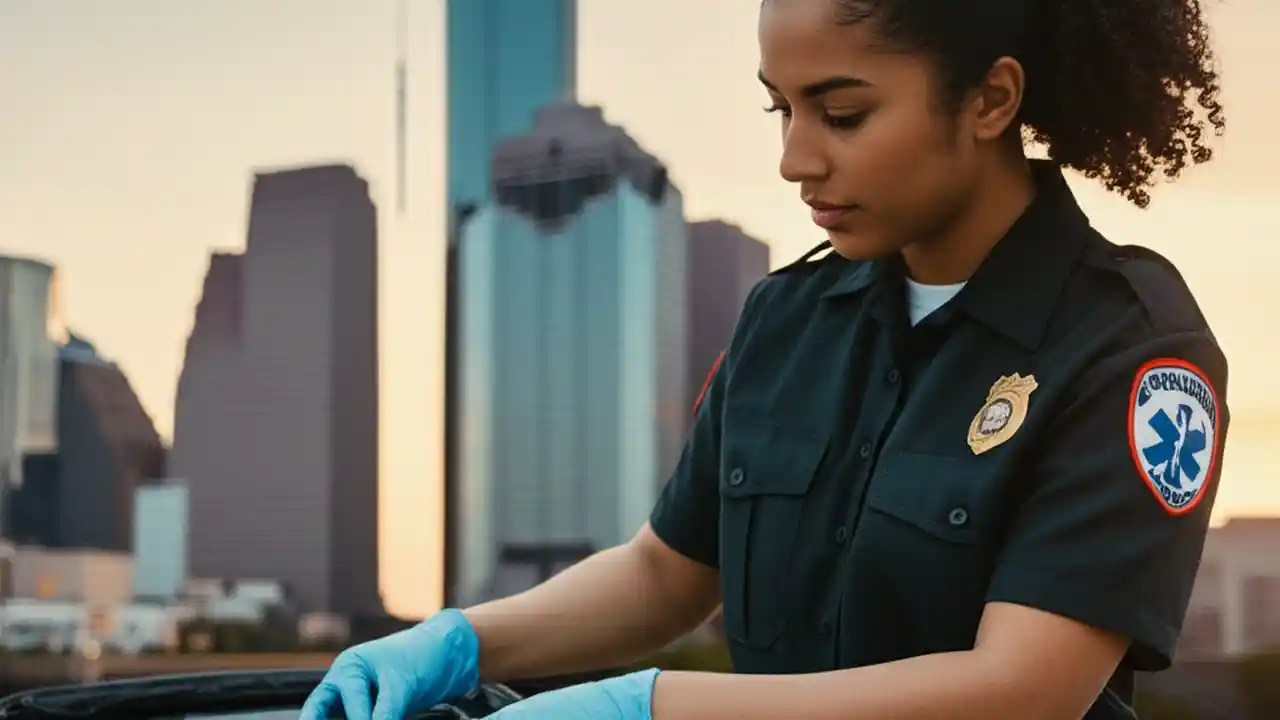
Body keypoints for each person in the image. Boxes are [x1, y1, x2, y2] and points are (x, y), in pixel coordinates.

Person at [301, 0, 1231, 717]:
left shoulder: (1132, 346)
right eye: (781, 109)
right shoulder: (786, 318)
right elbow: (667, 574)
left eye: (842, 114)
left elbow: (1022, 693)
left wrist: (653, 704)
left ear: (991, 99)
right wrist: (457, 642)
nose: (795, 160)